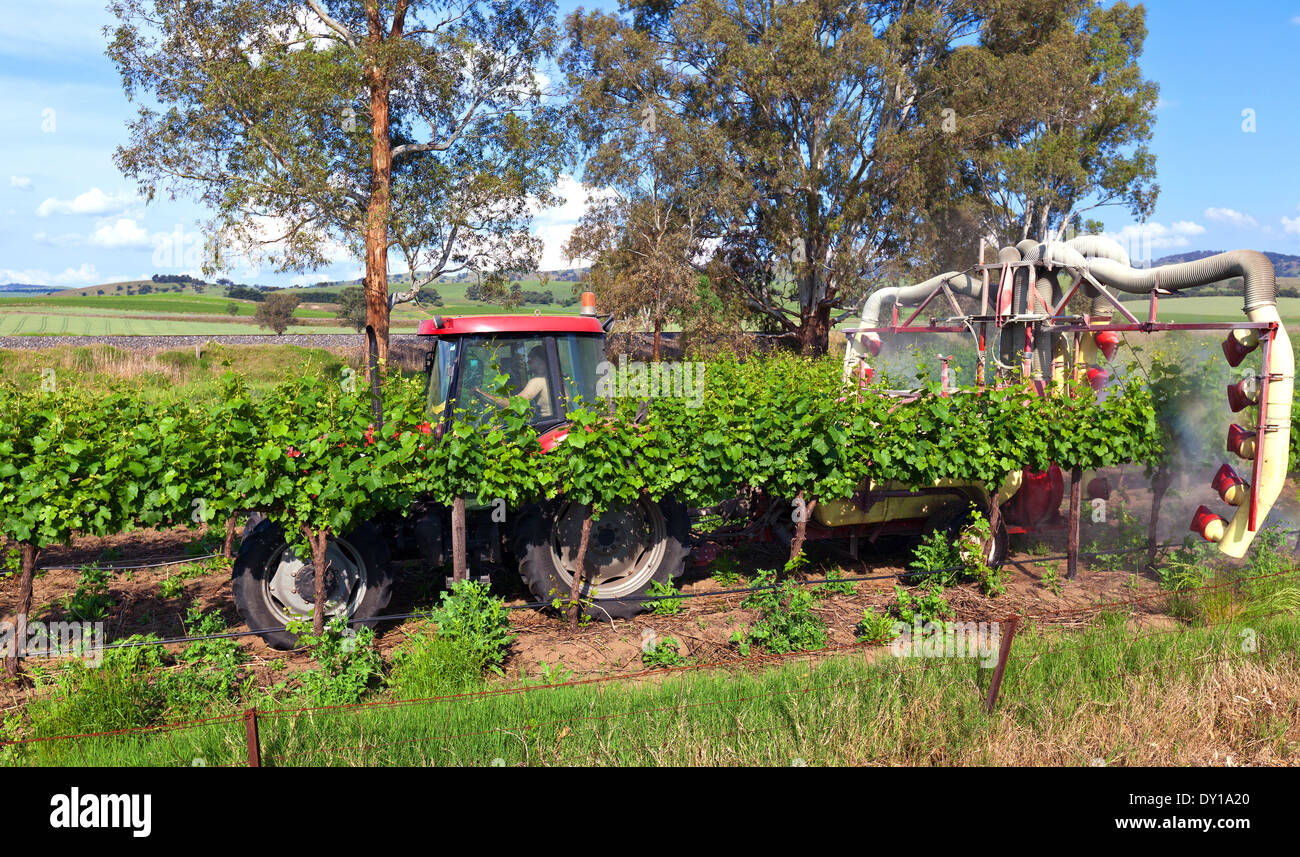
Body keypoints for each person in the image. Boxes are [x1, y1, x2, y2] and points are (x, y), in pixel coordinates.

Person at [475, 345, 553, 418]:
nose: (527, 361)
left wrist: (481, 393)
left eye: (531, 357)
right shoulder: (551, 378)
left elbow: (513, 404)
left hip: (547, 425)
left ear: (541, 359)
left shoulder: (538, 381)